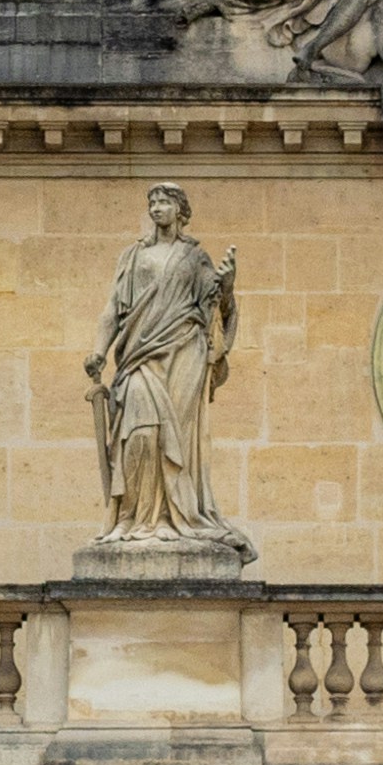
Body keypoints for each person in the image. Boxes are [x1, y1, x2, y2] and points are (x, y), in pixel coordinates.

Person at [89, 183, 237, 538]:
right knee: (139, 433)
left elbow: (216, 307)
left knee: (178, 436)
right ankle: (135, 517)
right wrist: (99, 350)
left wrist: (228, 285)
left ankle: (174, 517)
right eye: (152, 203)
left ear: (180, 211)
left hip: (184, 349)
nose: (156, 208)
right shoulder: (133, 256)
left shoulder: (194, 257)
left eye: (164, 202)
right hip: (138, 356)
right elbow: (113, 308)